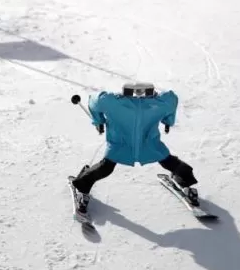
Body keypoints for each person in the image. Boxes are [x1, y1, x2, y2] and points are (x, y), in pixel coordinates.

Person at [70, 82, 199, 213]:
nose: (139, 96)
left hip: (136, 143)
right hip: (134, 144)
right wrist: (168, 121)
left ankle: (184, 180)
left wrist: (99, 121)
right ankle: (81, 185)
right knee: (107, 168)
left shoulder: (111, 102)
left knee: (107, 167)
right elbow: (172, 99)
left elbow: (94, 100)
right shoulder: (160, 103)